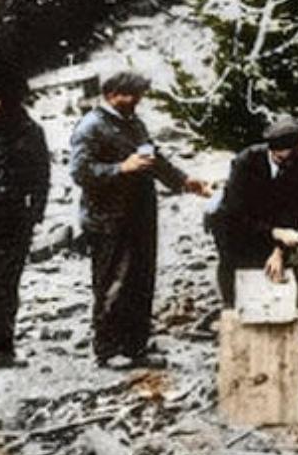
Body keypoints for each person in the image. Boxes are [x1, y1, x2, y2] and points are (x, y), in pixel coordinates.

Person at [67, 70, 211, 368]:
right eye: (129, 95)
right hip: (108, 219)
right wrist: (120, 168)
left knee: (141, 281)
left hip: (141, 215)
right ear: (111, 94)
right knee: (112, 283)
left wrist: (184, 181)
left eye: (139, 95)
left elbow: (152, 158)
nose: (135, 101)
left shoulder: (135, 124)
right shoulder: (90, 126)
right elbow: (80, 172)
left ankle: (136, 346)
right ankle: (107, 350)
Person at [0, 62, 49, 374]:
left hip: (16, 218)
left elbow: (42, 175)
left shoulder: (32, 131)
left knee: (7, 285)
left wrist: (35, 214)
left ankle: (3, 349)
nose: (11, 106)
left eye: (16, 100)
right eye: (5, 100)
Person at [205, 117, 298, 307]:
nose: (285, 164)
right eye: (280, 160)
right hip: (233, 224)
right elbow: (236, 212)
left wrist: (279, 251)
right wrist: (274, 232)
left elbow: (294, 211)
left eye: (290, 159)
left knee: (271, 269)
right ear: (271, 151)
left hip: (272, 220)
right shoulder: (245, 163)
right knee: (235, 267)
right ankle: (230, 305)